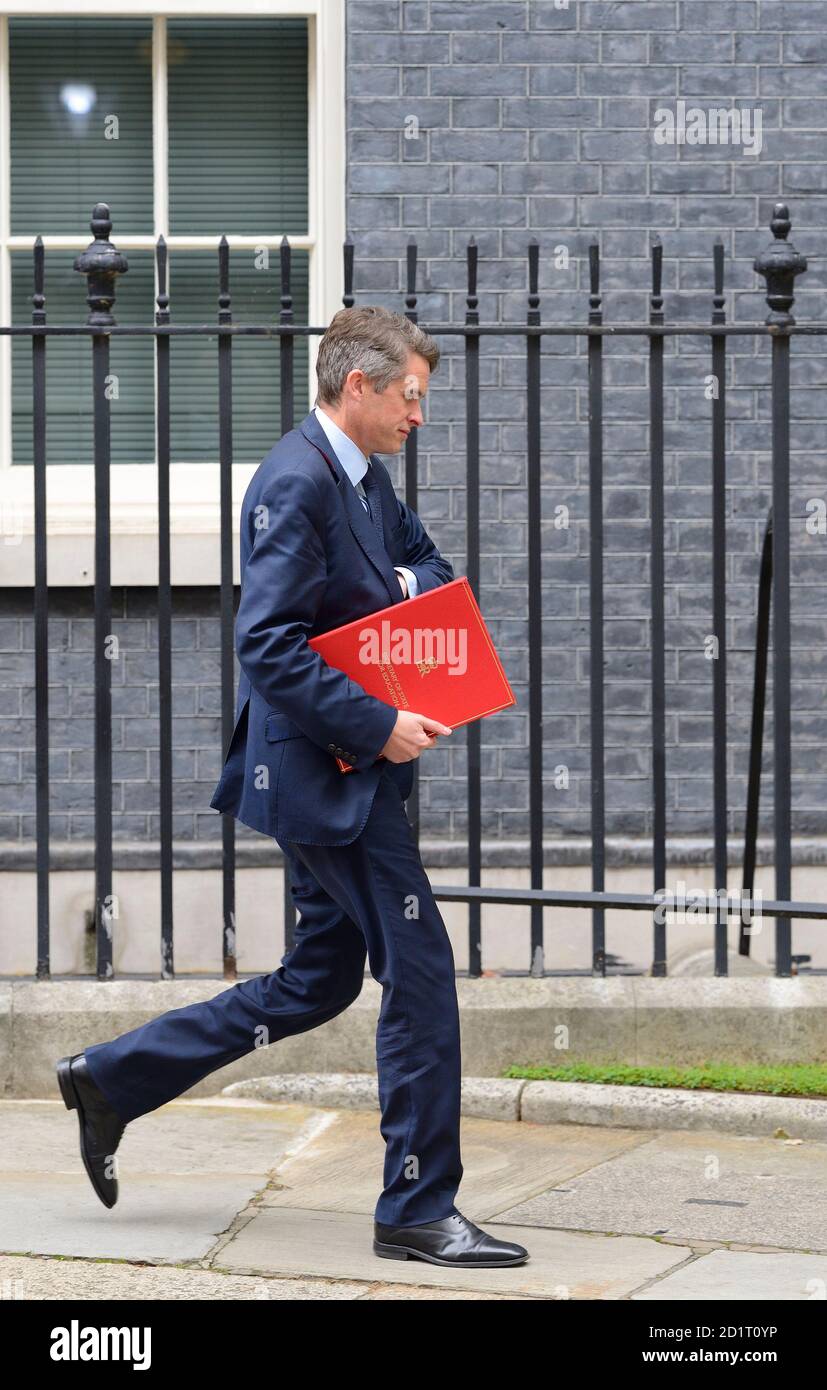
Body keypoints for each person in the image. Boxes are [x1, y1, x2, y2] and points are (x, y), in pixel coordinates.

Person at [57, 305, 528, 1270]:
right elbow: (267, 643)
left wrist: (386, 610)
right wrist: (377, 719)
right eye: (410, 396)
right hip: (329, 773)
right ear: (358, 385)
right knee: (424, 973)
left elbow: (430, 573)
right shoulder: (295, 481)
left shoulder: (366, 479)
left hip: (352, 770)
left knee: (315, 982)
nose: (418, 416)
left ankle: (110, 1079)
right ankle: (415, 1206)